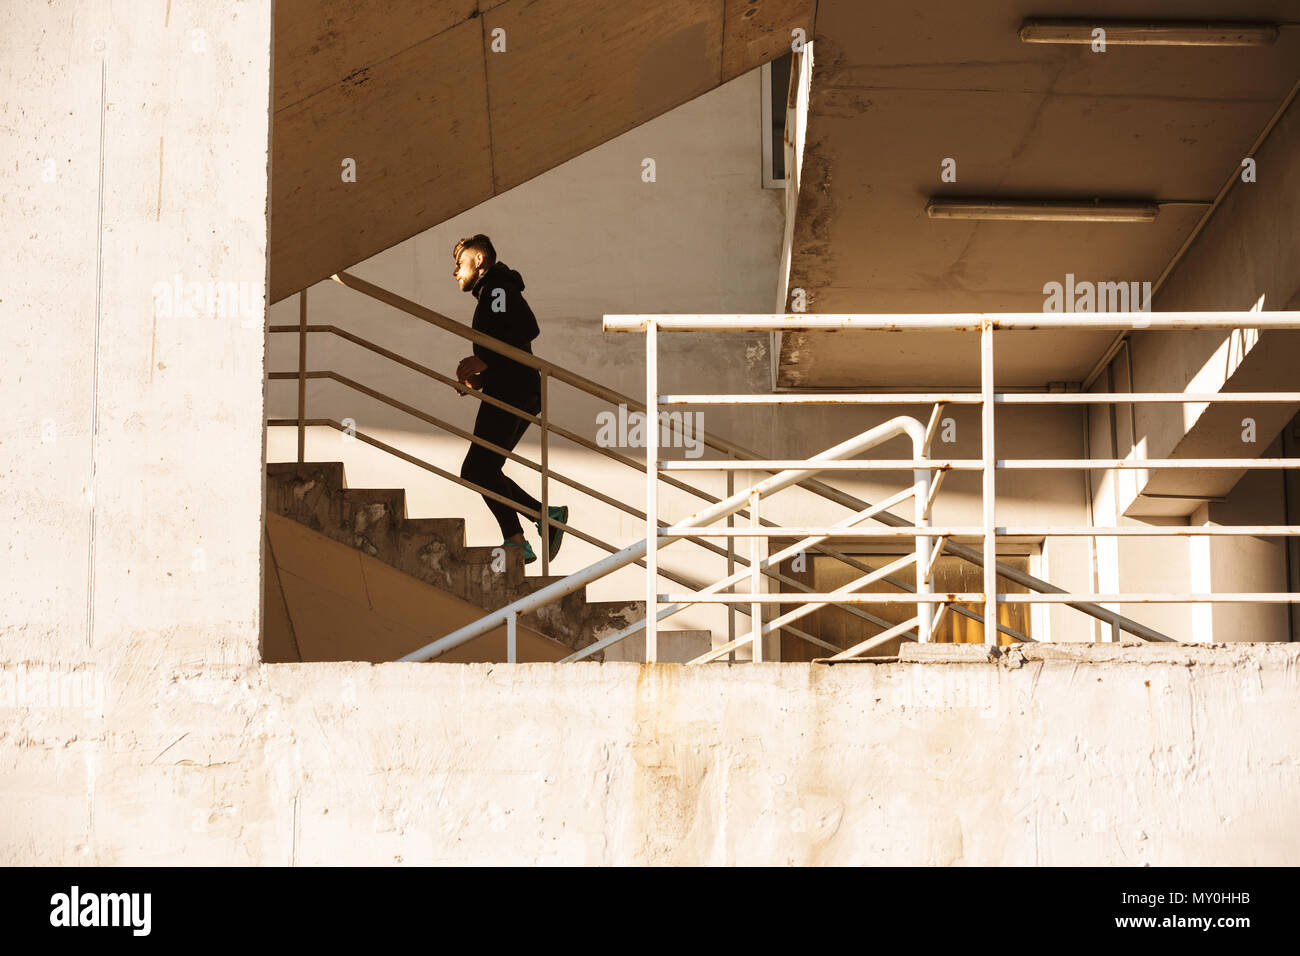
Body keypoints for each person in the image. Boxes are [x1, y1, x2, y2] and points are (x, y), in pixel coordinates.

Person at [452, 234, 566, 565]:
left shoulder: (497, 288)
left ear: (478, 261)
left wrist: (484, 360)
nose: (455, 272)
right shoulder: (491, 292)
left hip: (514, 390)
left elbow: (527, 328)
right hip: (516, 387)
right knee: (482, 469)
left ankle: (528, 530)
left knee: (477, 468)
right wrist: (482, 377)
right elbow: (511, 347)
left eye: (459, 263)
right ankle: (538, 522)